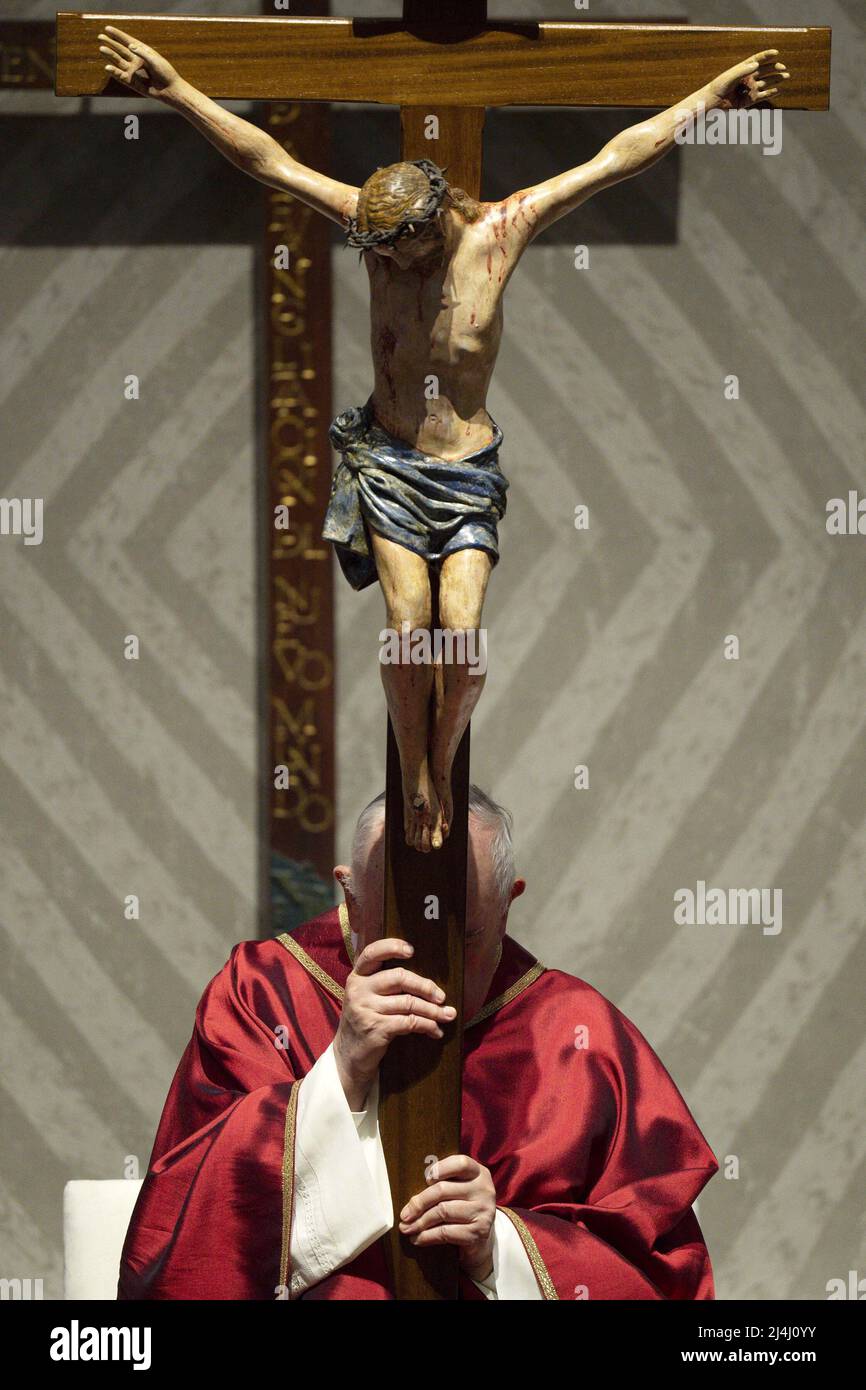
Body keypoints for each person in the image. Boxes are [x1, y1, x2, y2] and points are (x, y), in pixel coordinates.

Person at [97, 26, 789, 854]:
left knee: (458, 629)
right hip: (388, 463)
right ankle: (413, 772)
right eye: (377, 253)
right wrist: (174, 90)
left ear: (438, 219)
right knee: (406, 617)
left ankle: (441, 756)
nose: (389, 265)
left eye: (402, 249)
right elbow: (268, 162)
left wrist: (711, 101)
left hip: (464, 471)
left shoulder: (502, 233)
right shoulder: (378, 234)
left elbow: (617, 157)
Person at [118, 785, 718, 1300]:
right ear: (349, 895)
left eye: (468, 936)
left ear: (510, 904)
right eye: (399, 934)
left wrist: (500, 1247)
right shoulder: (261, 992)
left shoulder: (578, 1037)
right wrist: (343, 1069)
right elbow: (183, 1226)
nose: (434, 973)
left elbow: (660, 1272)